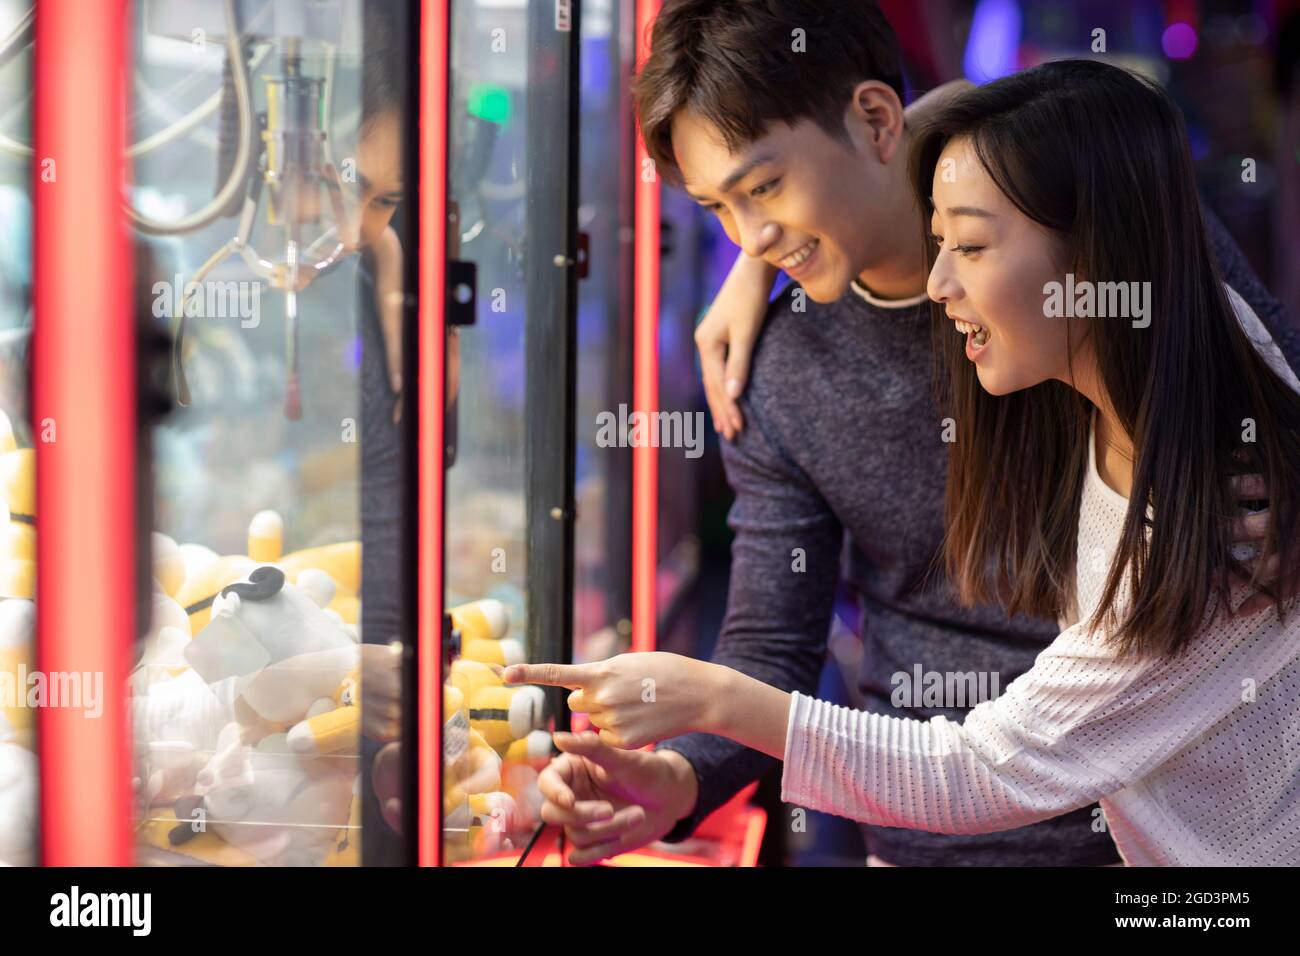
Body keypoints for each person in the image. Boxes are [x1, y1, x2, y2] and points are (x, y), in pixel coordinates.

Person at [505, 0, 1295, 866]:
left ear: (879, 118)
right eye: (718, 209)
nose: (750, 236)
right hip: (926, 816)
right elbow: (773, 639)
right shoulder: (784, 362)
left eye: (764, 186)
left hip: (1149, 827)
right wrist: (682, 778)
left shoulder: (1074, 236)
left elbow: (1256, 371)